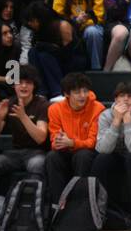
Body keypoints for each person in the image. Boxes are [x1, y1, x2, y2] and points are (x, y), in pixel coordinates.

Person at [0, 65, 48, 198]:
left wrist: (23, 117)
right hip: (15, 153)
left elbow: (41, 138)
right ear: (14, 86)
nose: (23, 86)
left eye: (28, 83)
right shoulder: (10, 103)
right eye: (20, 82)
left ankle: (31, 206)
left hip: (37, 152)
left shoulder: (42, 104)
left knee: (37, 164)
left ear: (34, 86)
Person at [43, 72, 104, 207]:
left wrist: (72, 142)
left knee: (83, 155)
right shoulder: (54, 109)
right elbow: (54, 138)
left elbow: (92, 142)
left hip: (86, 151)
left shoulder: (98, 108)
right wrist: (58, 141)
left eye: (85, 91)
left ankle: (79, 203)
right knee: (52, 157)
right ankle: (57, 204)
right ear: (66, 94)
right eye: (77, 92)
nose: (83, 96)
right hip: (66, 150)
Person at [91, 81, 131, 217]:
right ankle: (98, 211)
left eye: (130, 96)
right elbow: (102, 149)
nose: (126, 99)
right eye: (122, 96)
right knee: (101, 159)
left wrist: (127, 121)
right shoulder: (106, 115)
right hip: (113, 154)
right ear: (116, 99)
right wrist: (116, 121)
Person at [49, 0, 106, 70]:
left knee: (92, 32)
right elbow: (56, 15)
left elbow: (99, 14)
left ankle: (96, 70)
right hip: (70, 26)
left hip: (91, 25)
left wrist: (83, 23)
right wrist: (75, 22)